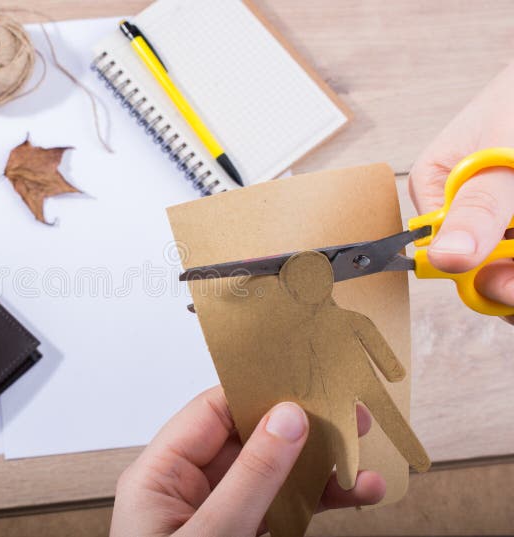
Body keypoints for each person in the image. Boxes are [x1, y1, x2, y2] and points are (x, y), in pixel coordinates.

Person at [110, 61, 514, 536]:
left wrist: (389, 367)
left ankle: (406, 455)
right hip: (336, 384)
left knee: (368, 428)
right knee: (350, 439)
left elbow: (369, 342)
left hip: (346, 379)